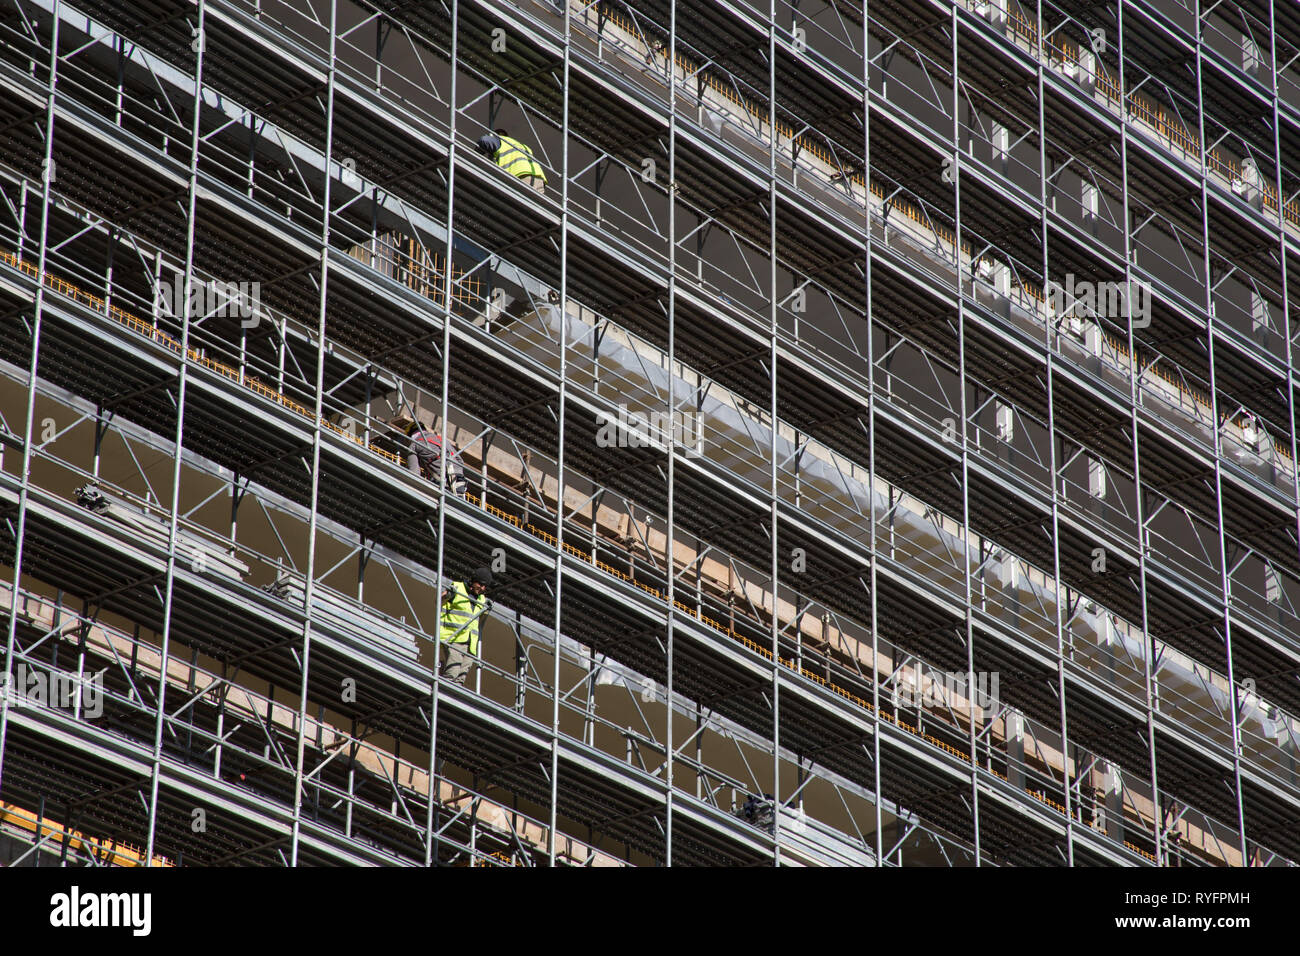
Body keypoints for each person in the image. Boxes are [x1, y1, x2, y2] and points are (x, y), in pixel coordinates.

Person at [438, 567, 493, 686]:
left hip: (470, 644)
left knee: (461, 678)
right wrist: (447, 595)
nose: (482, 588)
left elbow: (480, 622)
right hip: (453, 638)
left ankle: (451, 699)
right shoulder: (457, 588)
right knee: (452, 672)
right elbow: (438, 601)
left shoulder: (482, 599)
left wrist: (487, 610)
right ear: (474, 581)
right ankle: (442, 693)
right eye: (481, 584)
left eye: (485, 587)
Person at [475, 129, 547, 193]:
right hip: (539, 181)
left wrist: (476, 155)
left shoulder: (500, 140)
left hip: (522, 176)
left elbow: (484, 140)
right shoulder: (523, 146)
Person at [405, 421, 467, 495]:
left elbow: (414, 472)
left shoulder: (414, 445)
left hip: (441, 481)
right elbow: (460, 461)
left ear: (410, 435)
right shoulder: (442, 440)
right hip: (459, 480)